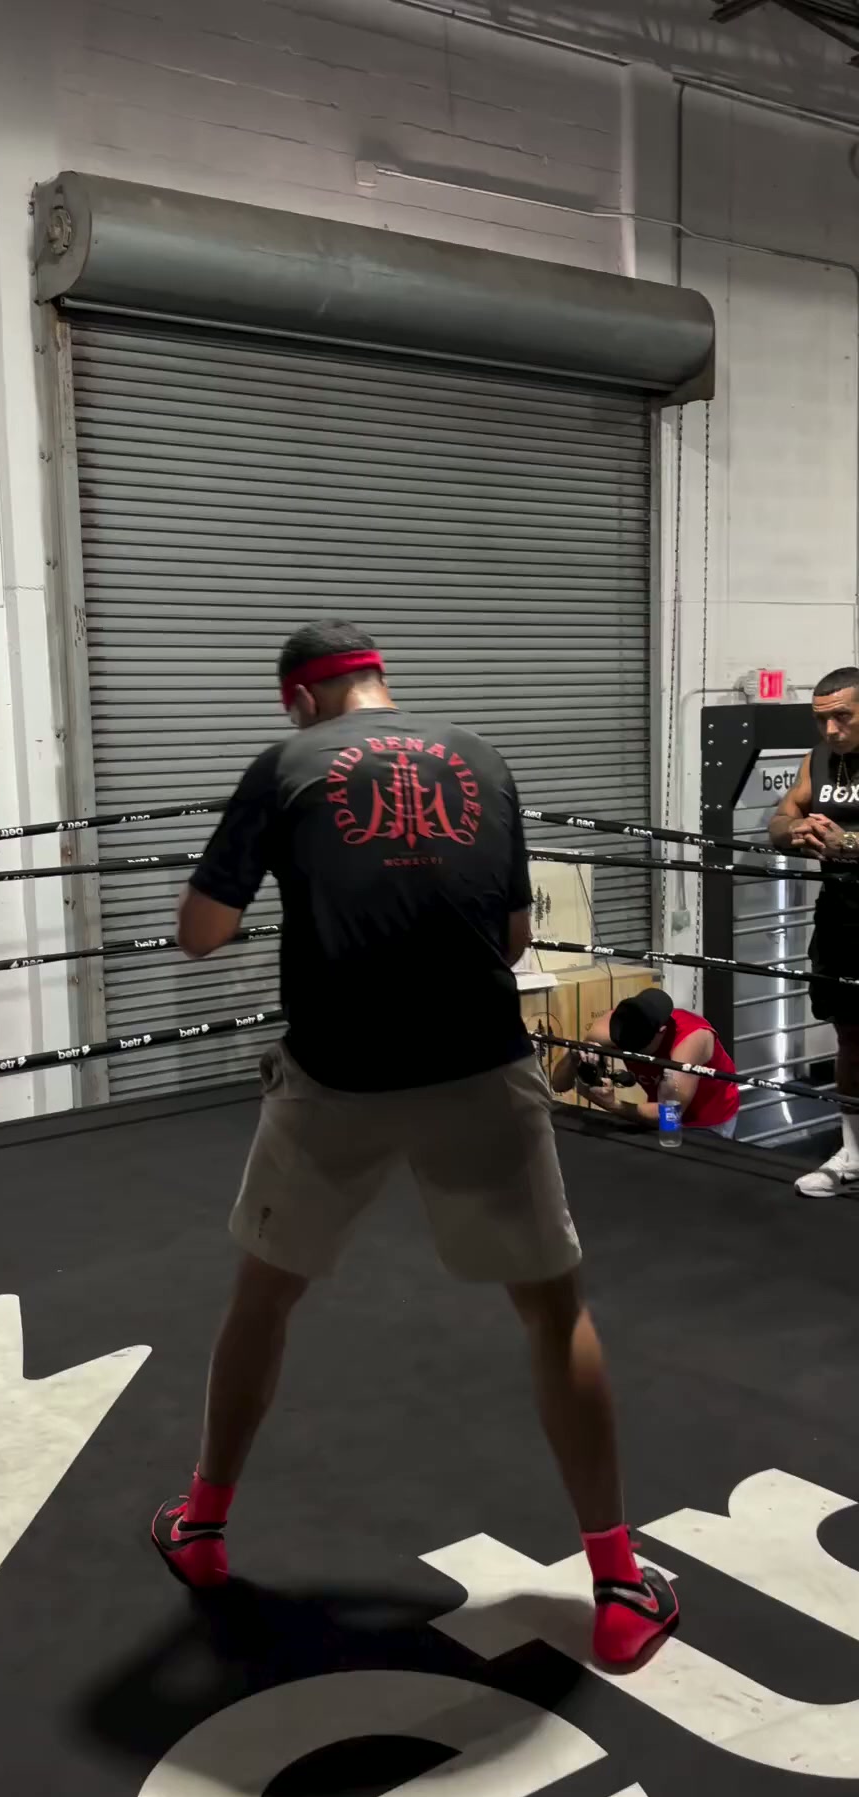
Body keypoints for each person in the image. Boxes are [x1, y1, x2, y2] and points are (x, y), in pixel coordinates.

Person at [152, 618, 678, 1668]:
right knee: (551, 1311)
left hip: (337, 1077)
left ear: (302, 698)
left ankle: (203, 1530)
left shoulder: (287, 762)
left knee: (264, 1295)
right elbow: (517, 936)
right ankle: (619, 1584)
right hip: (479, 1069)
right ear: (379, 681)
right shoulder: (482, 759)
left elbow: (200, 933)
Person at [768, 666, 859, 1197]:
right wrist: (794, 830)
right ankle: (853, 1152)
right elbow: (780, 817)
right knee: (850, 1037)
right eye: (821, 720)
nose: (831, 730)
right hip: (842, 919)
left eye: (843, 717)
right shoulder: (819, 760)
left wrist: (849, 843)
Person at [551, 987, 741, 1138]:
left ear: (662, 1031)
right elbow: (558, 1084)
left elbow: (669, 1118)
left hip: (707, 1117)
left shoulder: (690, 1042)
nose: (632, 1053)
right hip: (661, 1105)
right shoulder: (609, 1030)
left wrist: (613, 1104)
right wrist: (573, 1056)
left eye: (640, 1050)